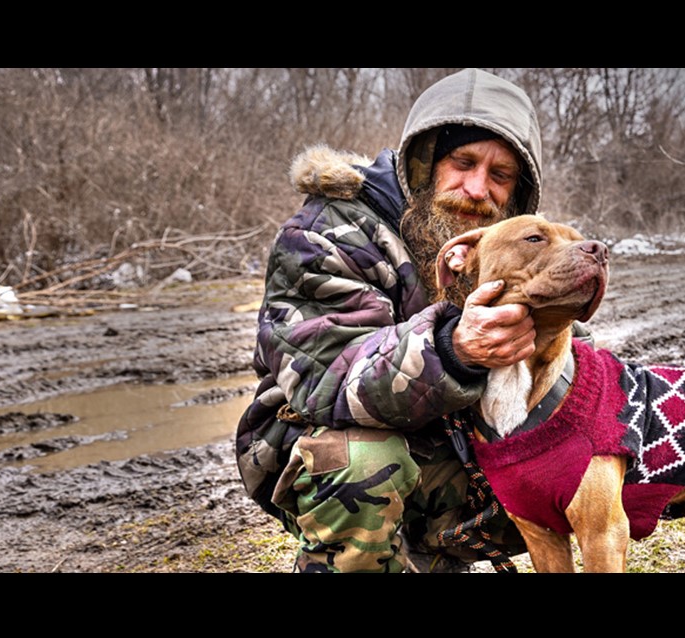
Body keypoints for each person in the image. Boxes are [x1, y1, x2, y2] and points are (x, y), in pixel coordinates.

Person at [235, 68, 551, 572]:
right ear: (423, 163)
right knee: (368, 464)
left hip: (446, 445)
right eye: (463, 162)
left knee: (576, 451)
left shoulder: (511, 247)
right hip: (322, 443)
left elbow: (565, 360)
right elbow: (327, 377)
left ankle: (434, 558)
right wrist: (453, 350)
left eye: (500, 175)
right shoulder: (329, 232)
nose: (477, 188)